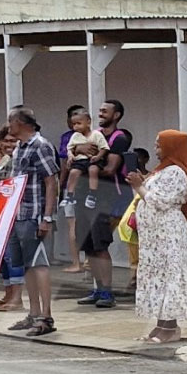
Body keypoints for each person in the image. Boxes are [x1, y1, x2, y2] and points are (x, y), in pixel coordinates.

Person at [128, 131, 187, 343]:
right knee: (157, 276)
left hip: (168, 232)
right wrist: (140, 184)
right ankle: (161, 325)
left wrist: (139, 186)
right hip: (154, 235)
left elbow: (161, 201)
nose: (156, 150)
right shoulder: (161, 171)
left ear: (171, 147)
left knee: (169, 276)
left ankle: (170, 328)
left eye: (159, 146)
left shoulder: (176, 172)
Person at [3, 106, 60, 338]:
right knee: (27, 265)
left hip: (34, 214)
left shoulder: (40, 145)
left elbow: (51, 181)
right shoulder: (20, 147)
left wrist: (46, 217)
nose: (9, 126)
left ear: (21, 123)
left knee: (39, 264)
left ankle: (46, 316)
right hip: (18, 213)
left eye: (11, 121)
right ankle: (34, 312)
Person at [74, 99, 133, 308]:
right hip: (84, 194)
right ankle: (98, 289)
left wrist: (86, 163)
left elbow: (109, 169)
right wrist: (79, 151)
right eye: (100, 110)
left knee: (100, 245)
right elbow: (73, 153)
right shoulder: (93, 134)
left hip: (105, 197)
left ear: (116, 115)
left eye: (105, 111)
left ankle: (107, 292)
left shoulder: (119, 138)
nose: (100, 113)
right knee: (88, 245)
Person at [0, 124, 26, 312]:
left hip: (15, 213)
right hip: (1, 212)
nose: (10, 144)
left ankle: (17, 298)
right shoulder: (4, 159)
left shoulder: (19, 160)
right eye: (7, 141)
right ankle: (8, 294)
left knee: (13, 256)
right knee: (4, 257)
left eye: (14, 141)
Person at [59, 106, 89, 273]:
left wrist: (61, 184)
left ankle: (78, 263)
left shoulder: (68, 137)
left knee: (73, 224)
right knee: (80, 224)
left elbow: (65, 164)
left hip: (77, 186)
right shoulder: (94, 135)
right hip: (88, 185)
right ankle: (83, 262)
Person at [61, 108, 109, 209]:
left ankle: (92, 194)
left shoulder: (96, 134)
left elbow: (104, 148)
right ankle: (70, 195)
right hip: (80, 160)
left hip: (93, 160)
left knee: (93, 170)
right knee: (73, 172)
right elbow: (70, 148)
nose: (76, 127)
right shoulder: (75, 136)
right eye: (74, 124)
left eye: (79, 123)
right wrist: (71, 156)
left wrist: (98, 157)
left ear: (88, 122)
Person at [125, 148, 152, 291]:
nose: (136, 161)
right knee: (133, 248)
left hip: (146, 216)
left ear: (146, 159)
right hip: (132, 216)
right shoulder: (128, 176)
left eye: (139, 158)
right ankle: (134, 277)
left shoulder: (152, 177)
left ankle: (144, 278)